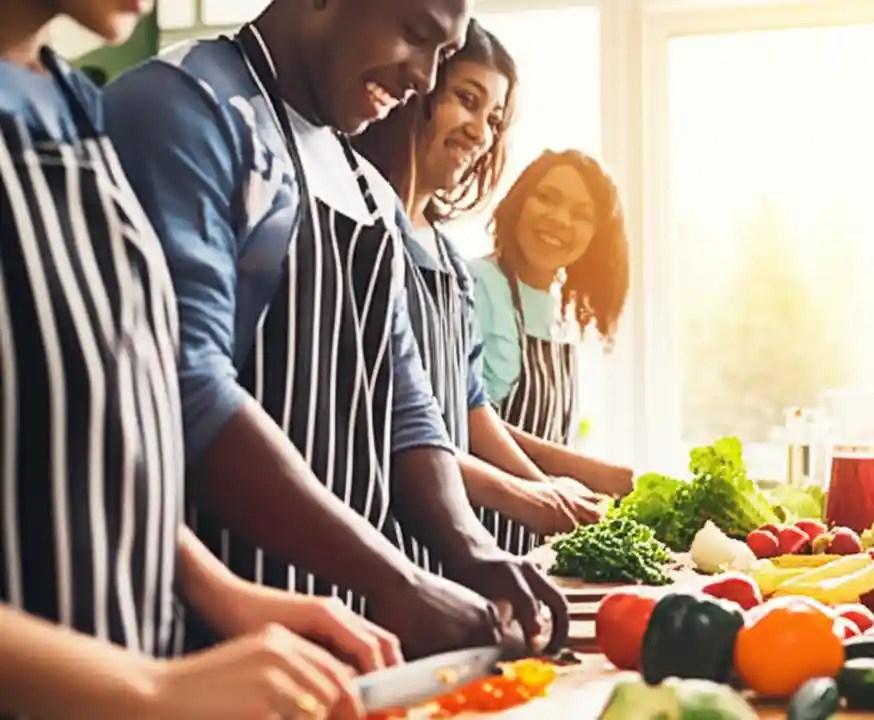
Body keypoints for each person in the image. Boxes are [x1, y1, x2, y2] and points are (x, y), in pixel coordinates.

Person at [102, 0, 567, 660]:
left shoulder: (367, 191)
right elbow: (187, 391)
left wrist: (470, 549)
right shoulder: (189, 108)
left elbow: (408, 411)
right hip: (214, 640)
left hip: (349, 633)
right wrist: (395, 579)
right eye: (414, 36)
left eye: (443, 54)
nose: (423, 79)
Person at [1, 1, 407, 718]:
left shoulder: (74, 106)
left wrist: (222, 592)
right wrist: (149, 689)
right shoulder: (168, 105)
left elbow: (102, 439)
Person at [353, 23, 624, 559]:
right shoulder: (363, 233)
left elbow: (472, 411)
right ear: (417, 91)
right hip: (386, 545)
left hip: (451, 550)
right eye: (467, 100)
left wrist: (548, 493)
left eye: (493, 119)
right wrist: (531, 495)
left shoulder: (449, 262)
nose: (480, 132)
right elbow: (389, 427)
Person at [470, 150, 633, 494]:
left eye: (582, 215)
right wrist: (594, 474)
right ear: (518, 202)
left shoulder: (566, 312)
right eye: (546, 198)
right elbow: (467, 423)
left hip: (545, 529)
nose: (560, 220)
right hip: (487, 522)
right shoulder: (475, 284)